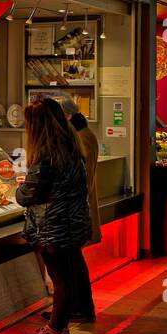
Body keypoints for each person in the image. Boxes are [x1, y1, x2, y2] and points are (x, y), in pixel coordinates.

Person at [16, 98, 93, 334]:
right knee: (66, 278)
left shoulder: (45, 157)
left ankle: (56, 331)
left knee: (60, 281)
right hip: (72, 224)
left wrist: (20, 188)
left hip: (53, 228)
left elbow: (26, 196)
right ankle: (62, 325)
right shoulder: (71, 148)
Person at [60, 96, 102, 246]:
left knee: (74, 259)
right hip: (83, 202)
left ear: (68, 116)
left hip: (79, 207)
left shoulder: (79, 138)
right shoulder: (86, 133)